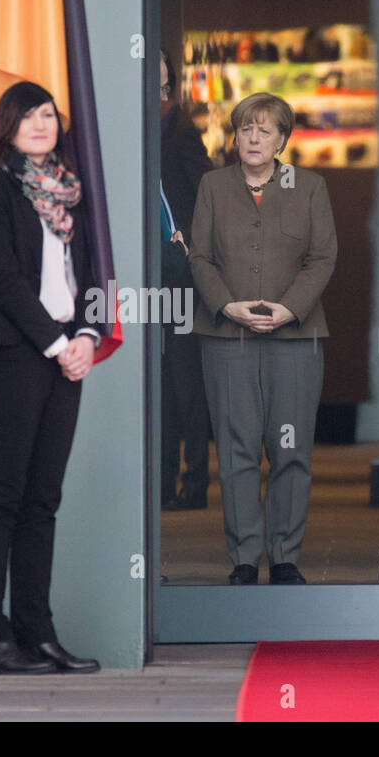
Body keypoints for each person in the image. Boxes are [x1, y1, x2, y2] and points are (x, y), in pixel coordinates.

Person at [0, 81, 101, 674]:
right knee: (4, 494)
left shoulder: (73, 188)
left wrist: (88, 335)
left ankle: (36, 631)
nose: (41, 124)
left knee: (44, 499)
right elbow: (1, 276)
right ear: (7, 124)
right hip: (13, 351)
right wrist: (57, 342)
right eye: (29, 115)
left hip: (69, 350)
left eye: (49, 114)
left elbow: (94, 268)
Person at [187, 92, 336, 585]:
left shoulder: (309, 186)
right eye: (246, 129)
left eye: (265, 131)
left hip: (294, 338)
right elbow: (200, 257)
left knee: (291, 449)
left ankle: (286, 555)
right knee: (237, 449)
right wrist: (225, 305)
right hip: (227, 336)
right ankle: (245, 558)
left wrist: (289, 308)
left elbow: (322, 257)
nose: (253, 138)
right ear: (235, 136)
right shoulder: (214, 185)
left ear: (282, 141)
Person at [159, 49, 214, 512]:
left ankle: (193, 485)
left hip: (179, 276)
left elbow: (208, 192)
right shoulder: (139, 130)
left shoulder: (180, 133)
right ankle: (160, 484)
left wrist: (192, 249)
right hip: (148, 278)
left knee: (185, 383)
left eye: (159, 86)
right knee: (158, 381)